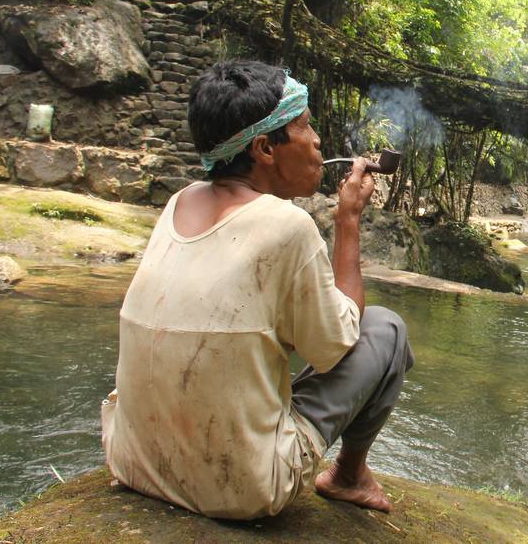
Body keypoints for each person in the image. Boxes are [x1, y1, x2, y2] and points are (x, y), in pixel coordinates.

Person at [100, 60, 413, 519]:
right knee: (386, 328)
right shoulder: (287, 225)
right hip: (239, 490)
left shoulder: (178, 202)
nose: (317, 141)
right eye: (305, 126)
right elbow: (338, 342)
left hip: (133, 463)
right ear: (265, 148)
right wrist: (348, 221)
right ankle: (348, 476)